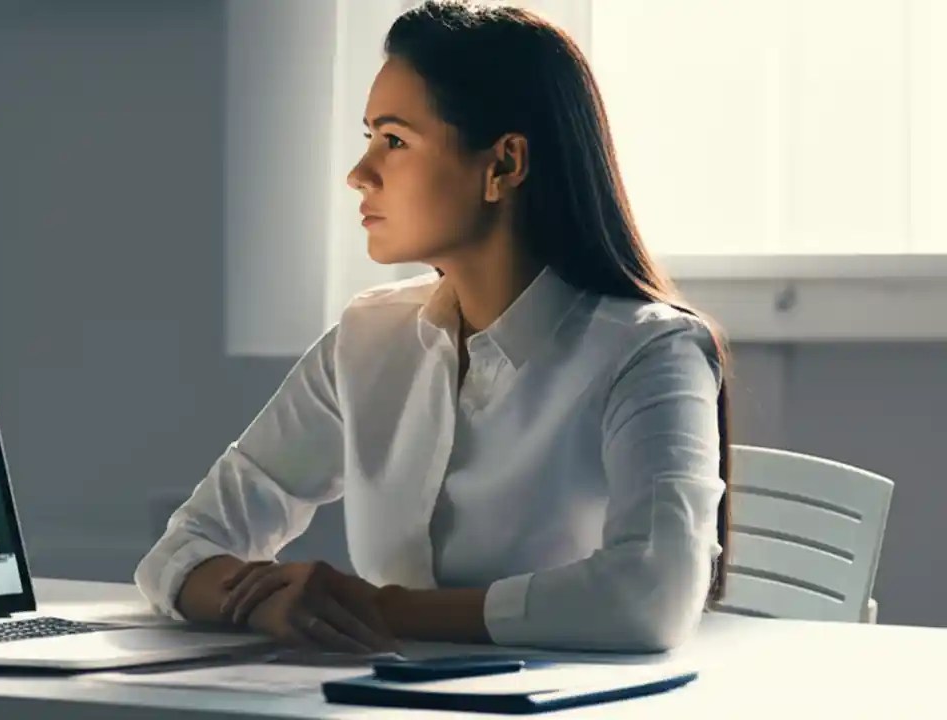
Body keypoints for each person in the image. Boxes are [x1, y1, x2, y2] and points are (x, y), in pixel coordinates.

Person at [135, 0, 731, 654]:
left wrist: (386, 611)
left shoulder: (651, 350)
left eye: (393, 140)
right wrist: (270, 605)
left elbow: (653, 597)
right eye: (368, 138)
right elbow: (181, 550)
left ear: (503, 165)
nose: (359, 174)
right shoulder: (370, 339)